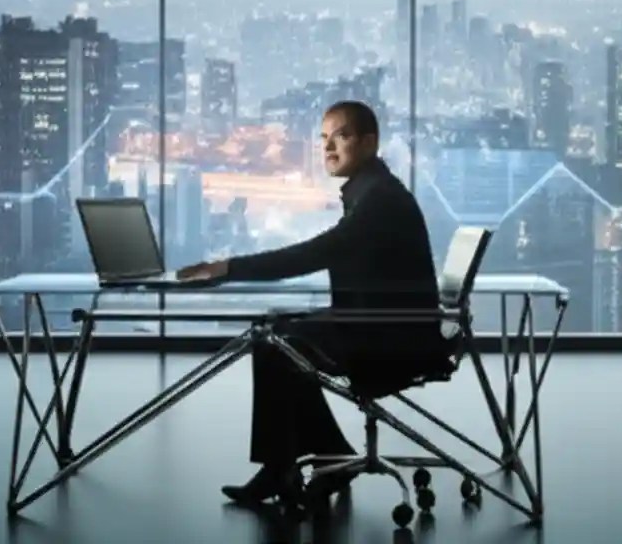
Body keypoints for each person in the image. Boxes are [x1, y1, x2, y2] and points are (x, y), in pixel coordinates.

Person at [177, 100, 445, 507]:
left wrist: (226, 267)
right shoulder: (372, 191)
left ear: (370, 142)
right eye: (324, 138)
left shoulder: (379, 200)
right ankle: (308, 458)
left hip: (391, 336)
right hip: (383, 324)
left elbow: (312, 254)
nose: (328, 148)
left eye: (341, 136)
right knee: (276, 334)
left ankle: (290, 466)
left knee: (277, 342)